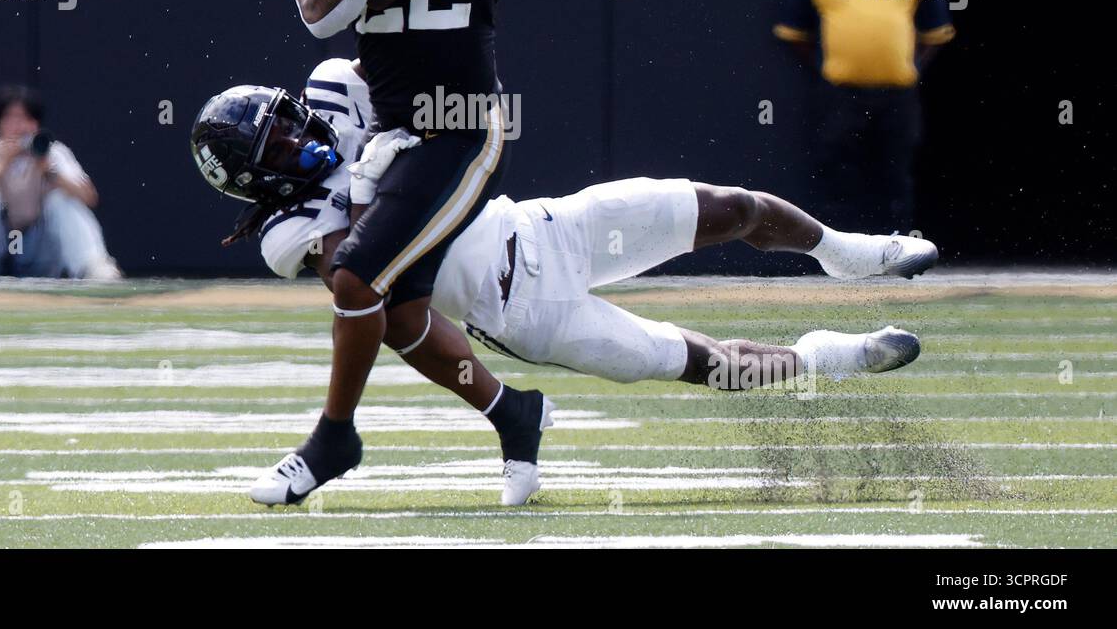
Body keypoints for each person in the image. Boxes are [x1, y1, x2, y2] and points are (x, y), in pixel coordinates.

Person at [190, 60, 934, 506]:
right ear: (258, 180)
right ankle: (828, 357)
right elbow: (363, 271)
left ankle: (844, 251)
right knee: (699, 364)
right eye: (278, 149)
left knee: (727, 207)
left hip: (540, 225)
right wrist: (367, 177)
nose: (299, 140)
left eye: (287, 123)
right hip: (524, 314)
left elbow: (409, 84)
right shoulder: (288, 234)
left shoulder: (333, 88)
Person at [281, 0, 627, 506]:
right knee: (402, 311)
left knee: (354, 274)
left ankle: (332, 438)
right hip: (393, 132)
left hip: (464, 127)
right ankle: (515, 414)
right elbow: (316, 13)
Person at [774, 0, 956, 233]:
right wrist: (826, 67)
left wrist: (912, 67)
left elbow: (936, 31)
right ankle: (838, 255)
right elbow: (793, 30)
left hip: (898, 94)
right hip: (839, 94)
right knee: (838, 172)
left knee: (896, 173)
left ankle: (900, 251)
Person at [0, 85, 121, 279]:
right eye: (11, 118)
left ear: (36, 124)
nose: (19, 126)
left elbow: (90, 197)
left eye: (26, 118)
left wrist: (51, 173)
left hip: (40, 248)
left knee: (61, 199)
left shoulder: (52, 152)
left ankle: (95, 266)